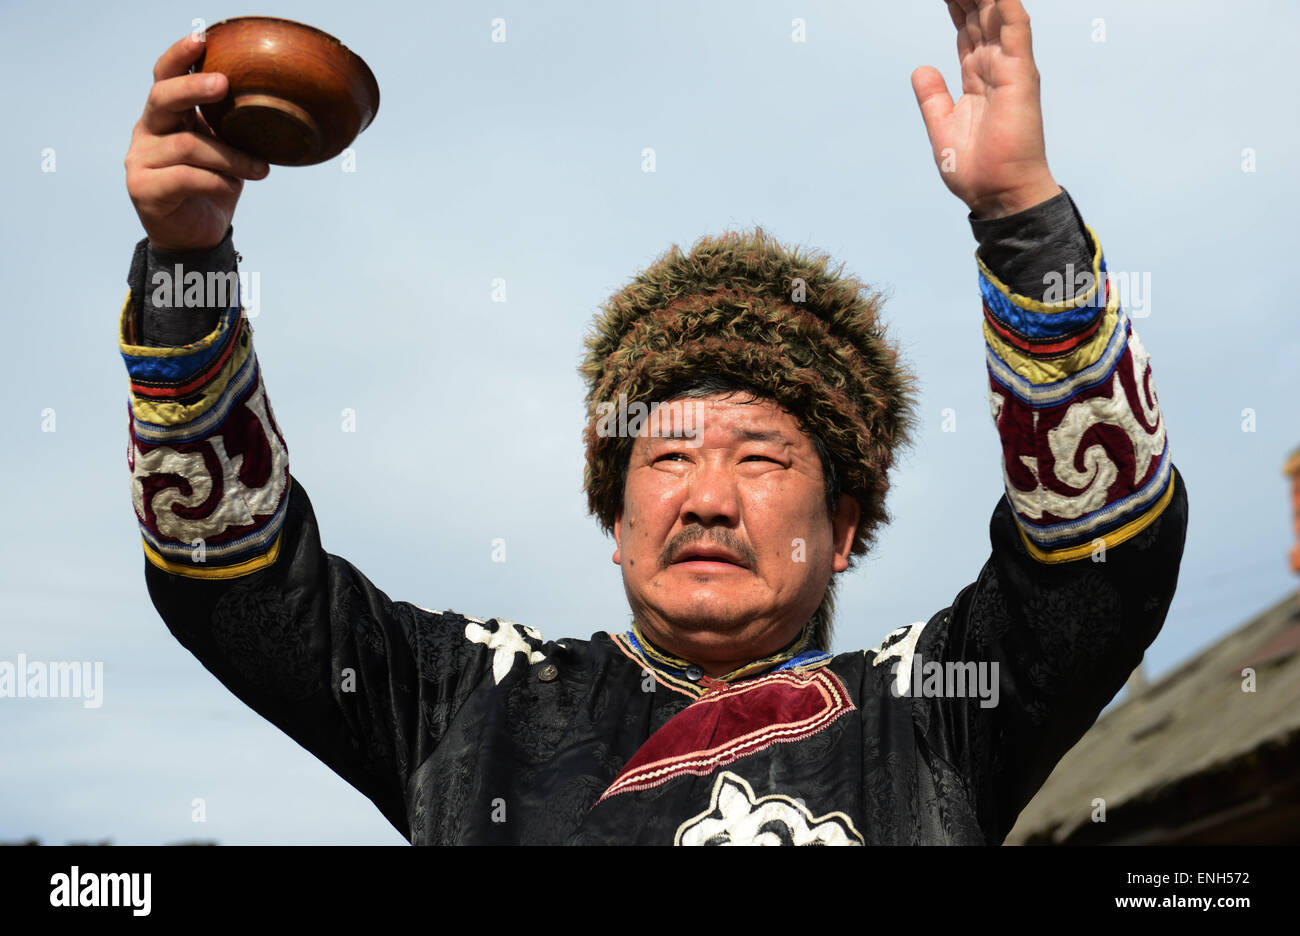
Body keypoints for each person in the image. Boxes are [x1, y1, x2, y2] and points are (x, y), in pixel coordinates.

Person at [119, 0, 1187, 844]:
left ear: (845, 530)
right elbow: (239, 588)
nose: (707, 497)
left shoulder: (929, 715)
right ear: (617, 520)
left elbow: (1102, 561)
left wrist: (1022, 220)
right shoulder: (468, 707)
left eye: (763, 456)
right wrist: (184, 265)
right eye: (667, 454)